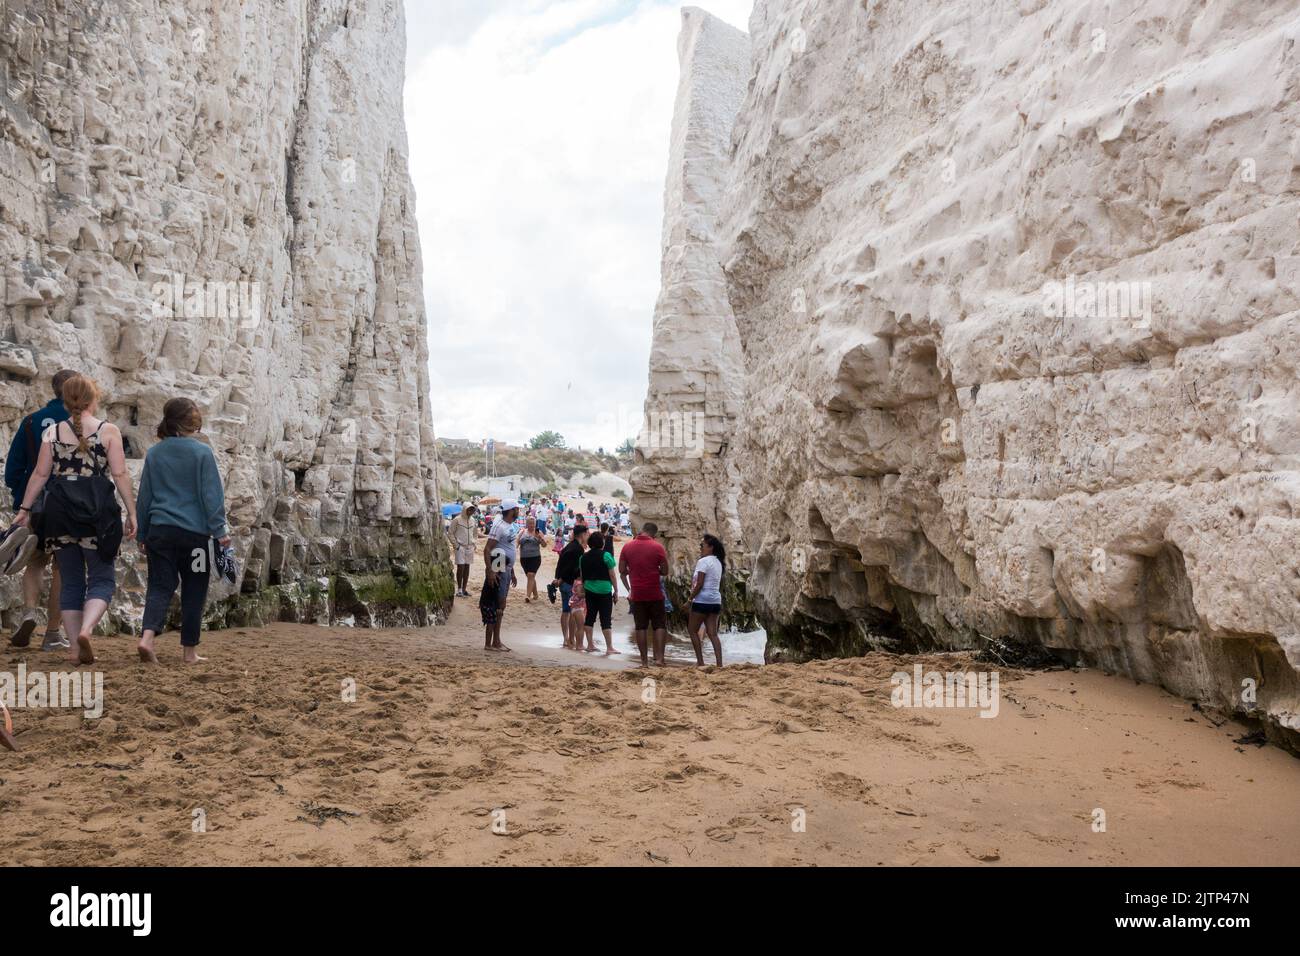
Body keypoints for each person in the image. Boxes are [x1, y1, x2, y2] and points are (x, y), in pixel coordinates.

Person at [13, 374, 136, 665]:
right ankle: (86, 630)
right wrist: (132, 512)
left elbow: (40, 475)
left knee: (71, 582)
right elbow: (119, 474)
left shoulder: (52, 432)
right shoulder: (108, 431)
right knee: (102, 578)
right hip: (96, 512)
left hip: (59, 513)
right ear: (94, 398)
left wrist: (25, 508)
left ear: (65, 400)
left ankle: (71, 650)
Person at [135, 398, 230, 664]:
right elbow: (212, 497)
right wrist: (220, 530)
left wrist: (142, 533)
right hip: (195, 537)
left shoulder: (155, 453)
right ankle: (189, 652)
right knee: (195, 588)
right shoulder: (202, 453)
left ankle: (147, 638)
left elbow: (145, 497)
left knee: (159, 586)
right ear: (194, 423)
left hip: (160, 531)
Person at [3, 368, 75, 651]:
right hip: (69, 505)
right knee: (63, 567)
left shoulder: (31, 421)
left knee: (34, 561)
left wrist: (22, 499)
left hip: (34, 504)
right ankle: (53, 634)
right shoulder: (81, 423)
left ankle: (30, 612)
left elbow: (13, 469)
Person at [619, 521, 670, 667]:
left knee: (640, 626)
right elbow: (665, 571)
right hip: (654, 592)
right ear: (653, 534)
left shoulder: (627, 546)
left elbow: (622, 570)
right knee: (659, 625)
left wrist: (634, 572)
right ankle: (659, 659)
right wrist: (655, 570)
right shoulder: (657, 547)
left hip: (637, 593)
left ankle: (644, 662)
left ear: (642, 530)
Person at [482, 498, 520, 651]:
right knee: (498, 604)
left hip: (507, 568)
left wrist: (513, 571)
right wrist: (490, 570)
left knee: (501, 605)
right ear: (511, 511)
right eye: (517, 509)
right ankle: (494, 642)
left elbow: (508, 547)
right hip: (499, 568)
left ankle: (496, 641)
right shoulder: (498, 526)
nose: (518, 511)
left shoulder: (510, 525)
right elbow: (488, 548)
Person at [688, 534, 727, 666]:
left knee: (692, 631)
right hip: (715, 601)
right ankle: (719, 664)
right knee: (713, 634)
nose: (700, 548)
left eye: (702, 545)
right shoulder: (718, 562)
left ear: (710, 547)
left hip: (701, 601)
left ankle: (700, 662)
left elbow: (699, 584)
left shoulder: (703, 562)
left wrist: (689, 600)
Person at [580, 531, 618, 656]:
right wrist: (616, 590)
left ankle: (590, 645)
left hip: (589, 589)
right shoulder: (606, 555)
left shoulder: (583, 557)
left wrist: (584, 588)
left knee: (590, 616)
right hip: (604, 589)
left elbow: (582, 575)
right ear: (602, 543)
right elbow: (612, 575)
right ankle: (609, 647)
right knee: (605, 619)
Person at [553, 524, 587, 649]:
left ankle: (566, 639)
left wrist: (557, 578)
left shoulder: (568, 546)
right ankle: (571, 640)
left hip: (563, 582)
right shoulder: (578, 549)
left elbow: (560, 564)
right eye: (586, 534)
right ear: (582, 534)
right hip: (570, 583)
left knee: (565, 611)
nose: (587, 536)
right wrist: (562, 579)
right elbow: (572, 569)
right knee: (573, 611)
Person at [449, 504, 478, 597]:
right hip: (460, 546)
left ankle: (464, 589)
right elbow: (450, 533)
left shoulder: (473, 520)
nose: (471, 512)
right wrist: (456, 545)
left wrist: (474, 543)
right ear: (465, 509)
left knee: (467, 567)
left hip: (470, 547)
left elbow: (475, 533)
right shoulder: (457, 520)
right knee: (460, 567)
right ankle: (459, 589)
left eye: (472, 510)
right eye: (469, 510)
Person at [517, 516, 547, 602]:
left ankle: (527, 596)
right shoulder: (522, 532)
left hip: (535, 557)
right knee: (530, 577)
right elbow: (517, 541)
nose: (531, 525)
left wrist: (540, 538)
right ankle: (536, 594)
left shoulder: (538, 532)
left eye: (533, 523)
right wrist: (515, 548)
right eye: (530, 523)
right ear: (526, 524)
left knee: (531, 575)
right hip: (524, 558)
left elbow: (544, 545)